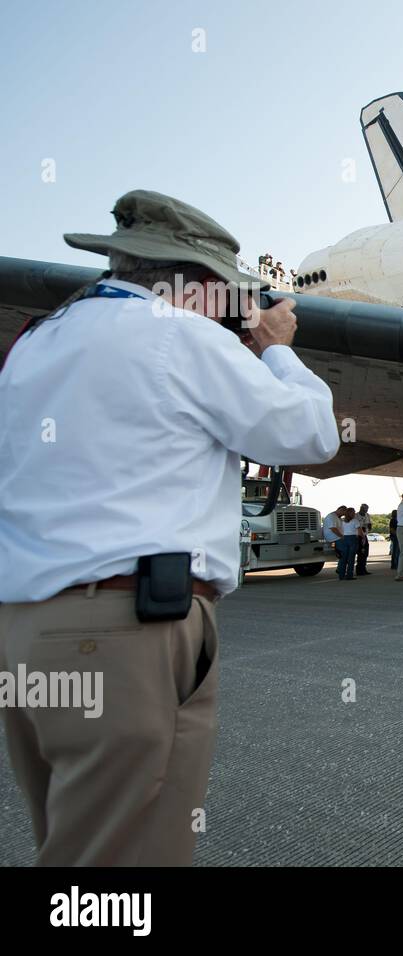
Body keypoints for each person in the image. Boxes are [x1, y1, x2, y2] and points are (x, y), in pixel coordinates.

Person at [0, 189, 339, 865]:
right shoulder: (175, 335)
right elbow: (312, 432)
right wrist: (271, 347)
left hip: (25, 628)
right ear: (201, 285)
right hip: (128, 635)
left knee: (78, 852)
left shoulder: (34, 345)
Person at [338, 507, 359, 580]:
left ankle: (341, 575)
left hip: (343, 538)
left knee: (343, 558)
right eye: (353, 512)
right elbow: (359, 531)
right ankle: (349, 575)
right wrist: (362, 537)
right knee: (351, 558)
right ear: (350, 513)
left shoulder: (341, 521)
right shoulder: (355, 521)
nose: (354, 513)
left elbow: (339, 530)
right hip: (352, 538)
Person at [323, 505, 345, 577]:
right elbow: (333, 528)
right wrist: (341, 536)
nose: (343, 515)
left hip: (338, 537)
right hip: (335, 538)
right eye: (343, 513)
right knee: (344, 553)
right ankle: (340, 570)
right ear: (339, 510)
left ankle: (340, 568)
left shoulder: (338, 518)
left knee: (345, 553)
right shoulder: (331, 516)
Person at [355, 503, 372, 575]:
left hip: (364, 536)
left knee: (365, 553)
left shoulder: (367, 515)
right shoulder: (356, 516)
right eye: (364, 509)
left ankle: (364, 568)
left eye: (366, 509)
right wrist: (362, 527)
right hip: (358, 536)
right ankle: (359, 570)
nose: (365, 510)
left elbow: (370, 524)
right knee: (360, 553)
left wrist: (369, 526)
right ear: (361, 508)